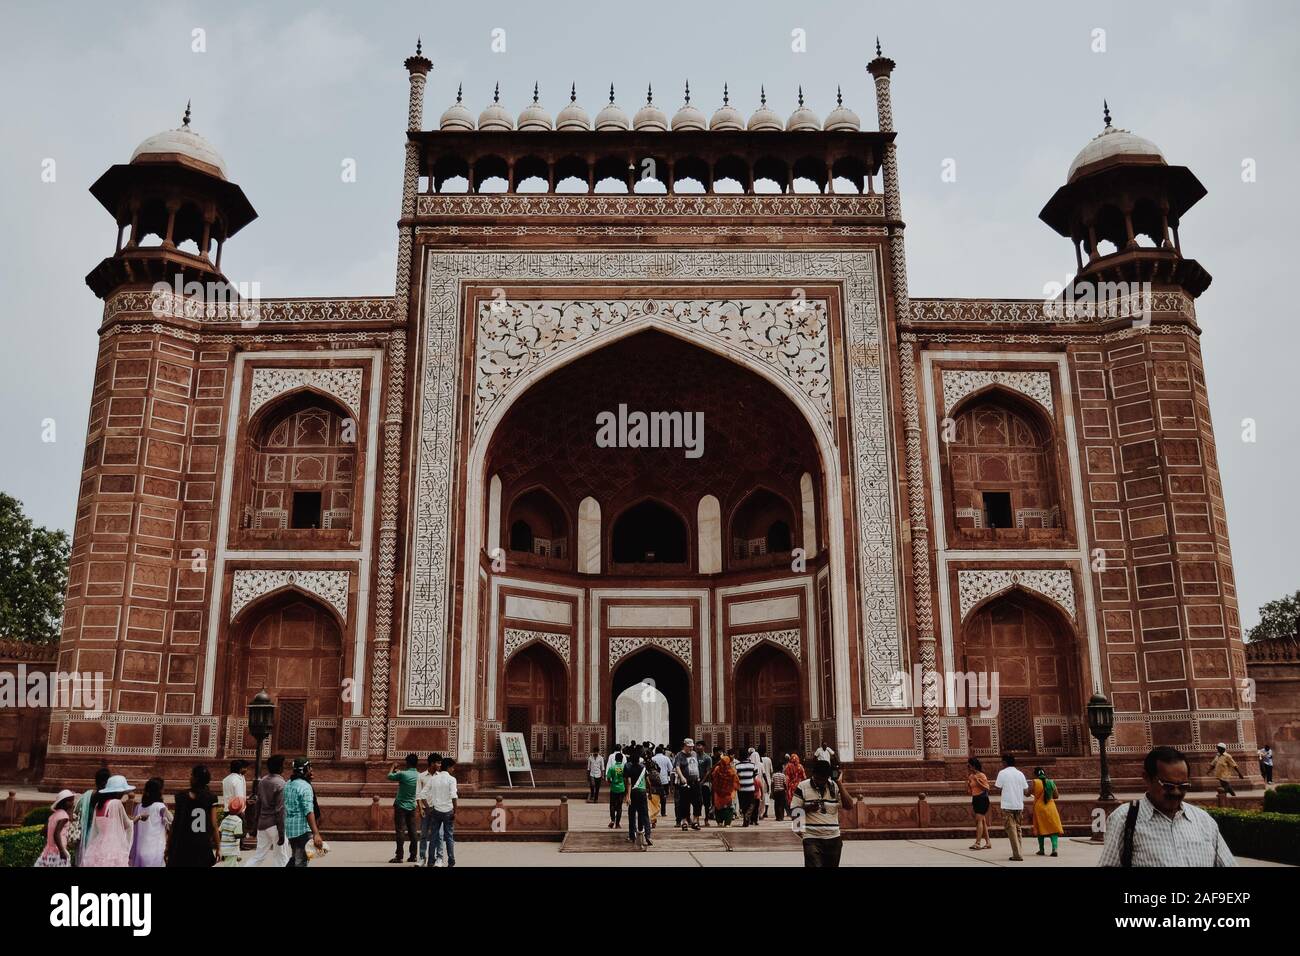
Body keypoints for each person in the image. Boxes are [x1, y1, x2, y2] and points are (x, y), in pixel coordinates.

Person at [1099, 746, 1236, 867]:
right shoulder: (1125, 819)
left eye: (1183, 786)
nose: (1176, 792)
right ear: (1147, 778)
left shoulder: (1203, 821)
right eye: (1168, 786)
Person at [789, 758, 856, 867]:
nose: (820, 782)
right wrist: (808, 809)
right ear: (813, 775)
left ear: (828, 777)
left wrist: (839, 783)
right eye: (818, 779)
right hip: (812, 838)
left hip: (833, 838)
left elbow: (849, 806)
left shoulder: (834, 786)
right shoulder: (803, 786)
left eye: (823, 779)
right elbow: (794, 812)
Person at [168, 764, 219, 867]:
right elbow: (214, 825)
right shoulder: (211, 797)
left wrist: (168, 846)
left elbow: (175, 823)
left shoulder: (181, 796)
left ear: (195, 779)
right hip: (202, 844)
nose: (190, 778)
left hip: (182, 843)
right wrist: (218, 847)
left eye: (191, 775)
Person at [244, 754, 288, 868]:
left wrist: (255, 825)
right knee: (281, 857)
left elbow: (258, 804)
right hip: (275, 825)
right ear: (280, 767)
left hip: (262, 823)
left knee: (258, 856)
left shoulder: (262, 781)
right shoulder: (281, 784)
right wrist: (282, 832)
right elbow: (280, 810)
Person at [81, 774, 135, 867]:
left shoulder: (98, 805)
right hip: (113, 846)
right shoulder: (116, 803)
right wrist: (139, 818)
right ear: (118, 792)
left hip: (98, 845)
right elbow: (127, 824)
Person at [283, 757, 323, 867]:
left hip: (290, 829)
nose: (311, 770)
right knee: (301, 861)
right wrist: (316, 833)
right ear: (305, 769)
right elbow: (308, 811)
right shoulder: (305, 787)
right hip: (303, 830)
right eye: (310, 768)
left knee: (295, 857)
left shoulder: (288, 784)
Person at [69, 766, 110, 866]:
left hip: (85, 833)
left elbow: (76, 812)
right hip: (96, 835)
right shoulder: (106, 798)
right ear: (106, 782)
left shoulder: (87, 795)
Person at [993, 755, 1029, 862]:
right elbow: (1026, 791)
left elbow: (997, 787)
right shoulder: (1020, 774)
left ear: (1004, 762)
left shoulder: (1002, 773)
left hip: (1008, 805)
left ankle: (1017, 854)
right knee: (1018, 829)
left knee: (1011, 829)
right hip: (1019, 805)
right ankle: (1019, 851)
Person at [129, 777, 171, 867]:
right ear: (159, 792)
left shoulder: (138, 807)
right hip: (156, 851)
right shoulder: (160, 807)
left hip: (139, 850)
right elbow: (171, 821)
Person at [388, 752, 420, 863]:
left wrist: (393, 767)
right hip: (412, 805)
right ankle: (413, 855)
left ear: (408, 763)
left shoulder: (403, 774)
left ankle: (399, 856)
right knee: (412, 831)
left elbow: (389, 776)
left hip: (401, 805)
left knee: (400, 830)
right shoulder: (419, 776)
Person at [427, 755, 458, 868]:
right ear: (449, 767)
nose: (453, 770)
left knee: (434, 836)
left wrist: (429, 807)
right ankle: (451, 861)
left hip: (436, 810)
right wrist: (455, 811)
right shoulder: (451, 779)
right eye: (452, 767)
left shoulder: (434, 778)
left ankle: (431, 861)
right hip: (448, 811)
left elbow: (424, 794)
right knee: (449, 836)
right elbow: (454, 796)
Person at [34, 790, 77, 867]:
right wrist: (61, 850)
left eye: (72, 800)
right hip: (58, 850)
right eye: (69, 801)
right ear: (63, 803)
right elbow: (56, 834)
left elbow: (43, 831)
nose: (72, 803)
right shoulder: (64, 816)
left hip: (49, 849)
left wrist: (50, 842)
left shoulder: (53, 816)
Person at [1031, 768, 1063, 857]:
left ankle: (1041, 849)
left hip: (1039, 808)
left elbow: (1028, 793)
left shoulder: (1035, 782)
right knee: (1053, 828)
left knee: (1040, 827)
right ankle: (1055, 848)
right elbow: (1056, 796)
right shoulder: (1051, 782)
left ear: (1035, 774)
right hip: (1051, 807)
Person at [417, 752, 441, 864]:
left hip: (437, 809)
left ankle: (437, 858)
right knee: (423, 835)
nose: (440, 765)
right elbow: (418, 794)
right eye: (438, 763)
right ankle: (422, 857)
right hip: (426, 809)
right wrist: (420, 809)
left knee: (437, 835)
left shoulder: (440, 777)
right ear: (432, 763)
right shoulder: (421, 776)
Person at [673, 738, 702, 830]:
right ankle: (684, 821)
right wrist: (682, 777)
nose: (691, 748)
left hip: (695, 781)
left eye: (692, 747)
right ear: (685, 746)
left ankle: (695, 821)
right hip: (686, 782)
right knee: (684, 802)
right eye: (689, 747)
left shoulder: (694, 754)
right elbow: (677, 767)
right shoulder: (679, 755)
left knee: (698, 802)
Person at [626, 749, 652, 848]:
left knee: (632, 815)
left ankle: (632, 835)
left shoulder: (629, 769)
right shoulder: (643, 768)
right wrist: (649, 793)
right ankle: (648, 835)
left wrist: (628, 796)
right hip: (642, 792)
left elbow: (628, 783)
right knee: (645, 814)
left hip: (633, 792)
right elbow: (648, 782)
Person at [966, 757, 992, 850]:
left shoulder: (981, 775)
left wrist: (977, 781)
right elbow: (970, 790)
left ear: (973, 766)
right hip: (975, 798)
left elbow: (987, 788)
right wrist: (968, 785)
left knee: (979, 820)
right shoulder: (970, 776)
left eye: (969, 766)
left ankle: (978, 842)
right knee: (982, 821)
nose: (968, 767)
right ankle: (988, 842)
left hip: (982, 799)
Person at [711, 754, 739, 826]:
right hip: (728, 793)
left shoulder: (717, 769)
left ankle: (719, 822)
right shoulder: (732, 771)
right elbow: (735, 780)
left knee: (718, 807)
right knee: (728, 807)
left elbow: (713, 776)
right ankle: (727, 823)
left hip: (718, 792)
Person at [219, 795, 245, 866]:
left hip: (224, 847)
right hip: (232, 849)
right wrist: (245, 835)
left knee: (233, 864)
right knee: (230, 864)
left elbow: (220, 831)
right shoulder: (238, 821)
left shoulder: (225, 819)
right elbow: (237, 835)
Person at [735, 749, 759, 826]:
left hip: (741, 788)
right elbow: (755, 775)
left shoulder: (737, 766)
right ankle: (747, 815)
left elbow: (735, 776)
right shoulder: (752, 765)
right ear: (747, 756)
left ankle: (745, 820)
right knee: (752, 803)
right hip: (750, 788)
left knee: (743, 805)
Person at [606, 751, 627, 828]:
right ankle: (617, 824)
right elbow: (626, 779)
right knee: (619, 806)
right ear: (622, 759)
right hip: (621, 788)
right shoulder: (624, 768)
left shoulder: (612, 767)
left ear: (615, 759)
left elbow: (608, 779)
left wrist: (612, 783)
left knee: (612, 804)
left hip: (613, 788)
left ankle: (612, 820)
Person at [652, 745, 674, 818]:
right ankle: (663, 812)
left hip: (654, 781)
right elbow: (671, 769)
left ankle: (654, 811)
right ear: (662, 751)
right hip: (664, 780)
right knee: (663, 797)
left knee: (654, 796)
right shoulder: (666, 758)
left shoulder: (653, 758)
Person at [695, 743, 713, 825]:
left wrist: (702, 781)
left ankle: (706, 819)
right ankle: (697, 819)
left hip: (705, 783)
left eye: (700, 745)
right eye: (697, 745)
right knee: (697, 802)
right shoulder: (694, 757)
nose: (698, 747)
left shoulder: (707, 758)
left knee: (706, 803)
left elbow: (708, 771)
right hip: (695, 782)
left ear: (703, 747)